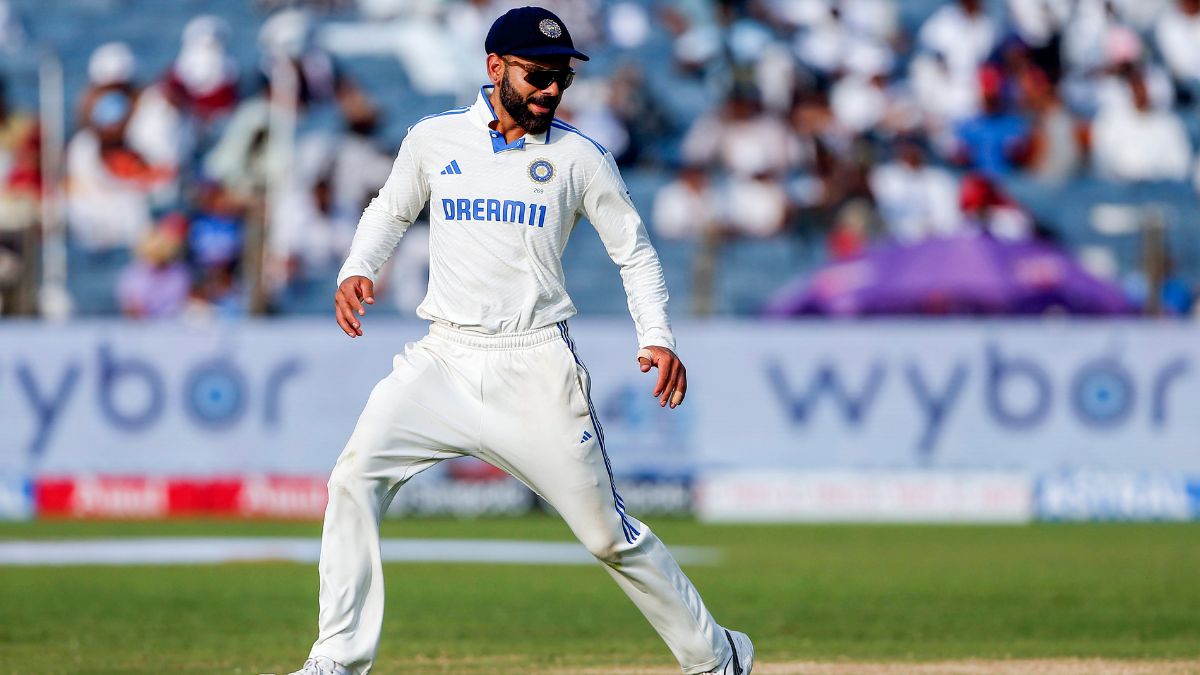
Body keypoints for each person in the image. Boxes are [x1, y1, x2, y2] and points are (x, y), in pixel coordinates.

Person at [287, 7, 753, 675]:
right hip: (443, 358)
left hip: (534, 365)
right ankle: (337, 656)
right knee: (353, 477)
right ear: (495, 67)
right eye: (538, 75)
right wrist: (357, 267)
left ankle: (716, 656)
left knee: (605, 537)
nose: (550, 90)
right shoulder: (434, 139)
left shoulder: (579, 157)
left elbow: (635, 252)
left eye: (561, 77)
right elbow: (390, 207)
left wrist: (657, 334)